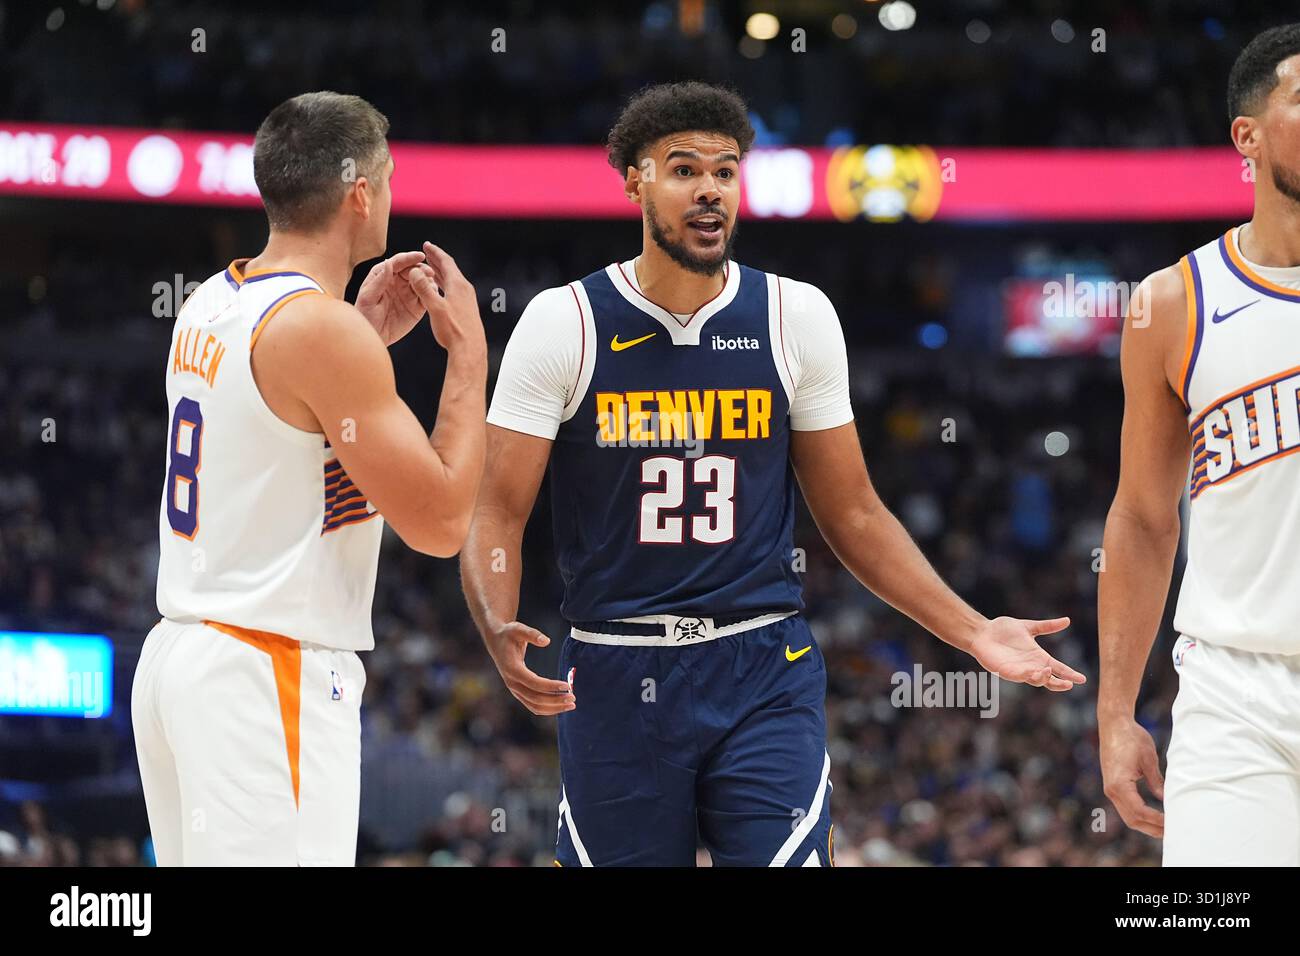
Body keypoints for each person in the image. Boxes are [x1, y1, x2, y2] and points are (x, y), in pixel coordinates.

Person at [461, 81, 1084, 867]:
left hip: (762, 664)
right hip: (613, 668)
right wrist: (494, 619)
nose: (709, 189)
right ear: (634, 181)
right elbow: (496, 512)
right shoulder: (567, 322)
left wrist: (971, 630)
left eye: (725, 170)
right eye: (683, 169)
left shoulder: (797, 316)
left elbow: (853, 514)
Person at [131, 91, 487, 865]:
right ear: (361, 193)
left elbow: (286, 434)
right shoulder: (318, 330)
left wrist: (359, 337)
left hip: (184, 660)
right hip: (264, 673)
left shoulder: (211, 300)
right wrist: (468, 361)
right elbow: (441, 523)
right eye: (388, 177)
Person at [1100, 24, 1300, 867]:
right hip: (1235, 692)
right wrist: (1115, 713)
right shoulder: (1173, 303)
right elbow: (1144, 518)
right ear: (1247, 137)